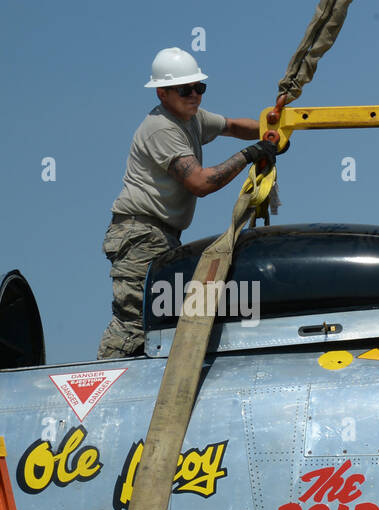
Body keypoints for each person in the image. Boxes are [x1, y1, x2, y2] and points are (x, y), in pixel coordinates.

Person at [98, 47, 279, 360]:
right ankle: (100, 388)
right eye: (185, 90)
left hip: (160, 234)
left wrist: (273, 130)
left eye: (200, 88)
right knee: (136, 322)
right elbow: (200, 183)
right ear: (162, 93)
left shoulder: (193, 118)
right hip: (139, 233)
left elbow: (234, 127)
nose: (195, 95)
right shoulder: (161, 128)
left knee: (159, 319)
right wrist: (251, 154)